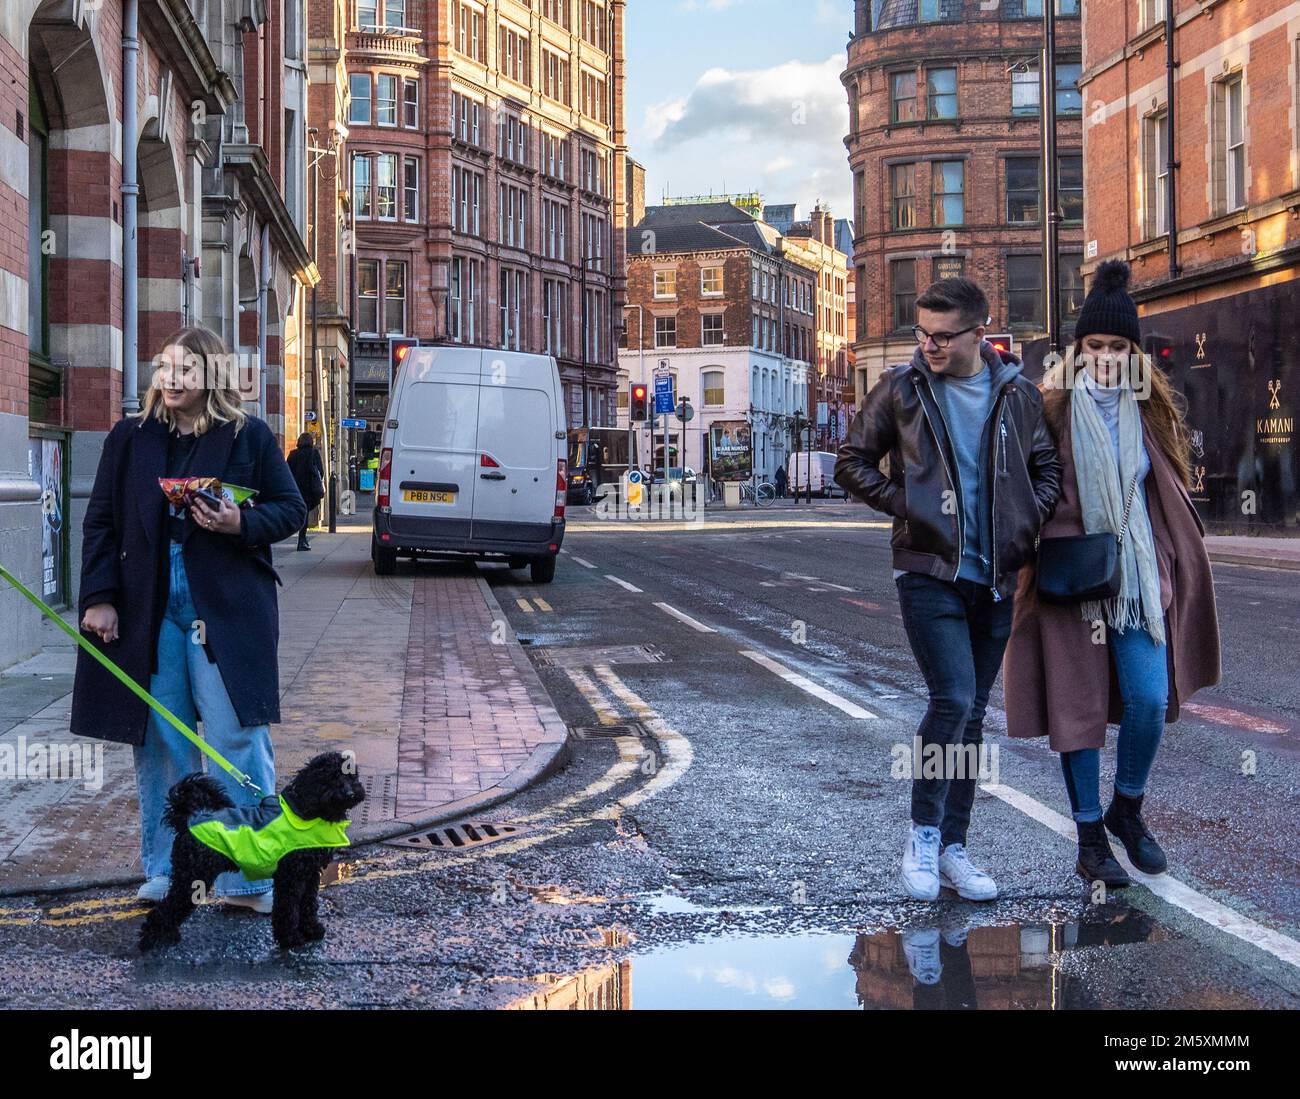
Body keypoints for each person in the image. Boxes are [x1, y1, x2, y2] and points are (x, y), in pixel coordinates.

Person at [836, 278, 1061, 902]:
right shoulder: (901, 390)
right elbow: (851, 462)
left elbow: (1047, 468)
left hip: (995, 575)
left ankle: (956, 848)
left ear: (977, 335)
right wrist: (910, 506)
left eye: (941, 336)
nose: (929, 346)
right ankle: (924, 837)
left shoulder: (1017, 394)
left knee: (973, 717)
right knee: (953, 701)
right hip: (929, 571)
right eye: (922, 334)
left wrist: (1028, 520)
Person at [71, 325, 307, 910]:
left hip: (223, 605)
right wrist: (98, 596)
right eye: (164, 368)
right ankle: (168, 868)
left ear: (211, 377)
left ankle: (247, 873)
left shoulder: (247, 436)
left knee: (234, 736)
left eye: (186, 371)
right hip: (148, 603)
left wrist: (240, 524)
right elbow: (100, 521)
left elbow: (291, 508)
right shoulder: (129, 438)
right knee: (161, 739)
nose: (172, 380)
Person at [1002, 260, 1221, 887]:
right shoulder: (1050, 410)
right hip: (1070, 580)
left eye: (1117, 347)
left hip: (1139, 582)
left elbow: (1170, 492)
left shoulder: (1152, 411)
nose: (1104, 357)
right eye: (1093, 346)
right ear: (1077, 350)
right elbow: (1027, 492)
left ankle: (1128, 807)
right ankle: (1090, 837)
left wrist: (1174, 556)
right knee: (1078, 707)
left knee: (1150, 699)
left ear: (1134, 352)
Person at [286, 432, 325, 550]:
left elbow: (287, 472)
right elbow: (321, 471)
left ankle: (301, 538)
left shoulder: (293, 454)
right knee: (305, 512)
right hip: (310, 489)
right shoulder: (314, 453)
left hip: (296, 488)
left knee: (300, 512)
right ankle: (302, 539)